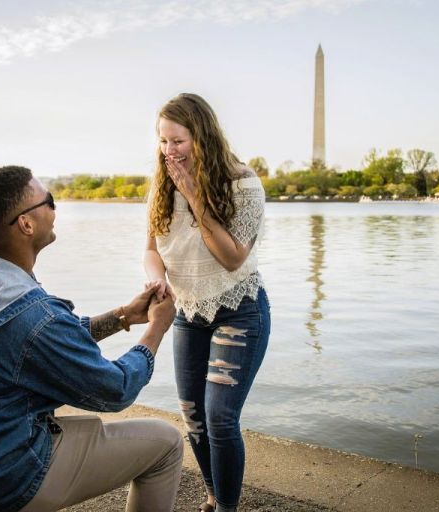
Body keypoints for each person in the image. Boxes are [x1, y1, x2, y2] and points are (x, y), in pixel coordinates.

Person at [0, 165, 183, 512]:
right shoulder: (33, 316)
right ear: (26, 224)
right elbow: (115, 389)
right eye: (48, 201)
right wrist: (157, 328)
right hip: (4, 481)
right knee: (166, 443)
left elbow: (38, 345)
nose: (55, 208)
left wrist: (124, 316)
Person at [144, 93, 271, 512]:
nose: (169, 152)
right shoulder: (161, 186)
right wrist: (156, 280)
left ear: (202, 136)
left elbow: (232, 257)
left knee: (219, 417)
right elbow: (151, 249)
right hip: (189, 313)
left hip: (240, 310)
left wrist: (196, 196)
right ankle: (216, 496)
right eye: (163, 142)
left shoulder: (243, 183)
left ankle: (227, 509)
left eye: (177, 141)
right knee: (193, 417)